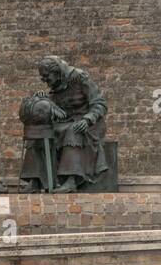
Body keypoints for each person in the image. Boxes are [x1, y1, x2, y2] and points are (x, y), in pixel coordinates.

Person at [19, 55, 108, 193]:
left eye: (46, 76)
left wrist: (88, 119)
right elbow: (59, 110)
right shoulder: (56, 84)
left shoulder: (79, 78)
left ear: (56, 72)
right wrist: (45, 99)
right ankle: (36, 180)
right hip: (65, 122)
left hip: (89, 123)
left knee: (73, 131)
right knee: (39, 132)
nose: (44, 80)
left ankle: (71, 180)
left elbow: (100, 103)